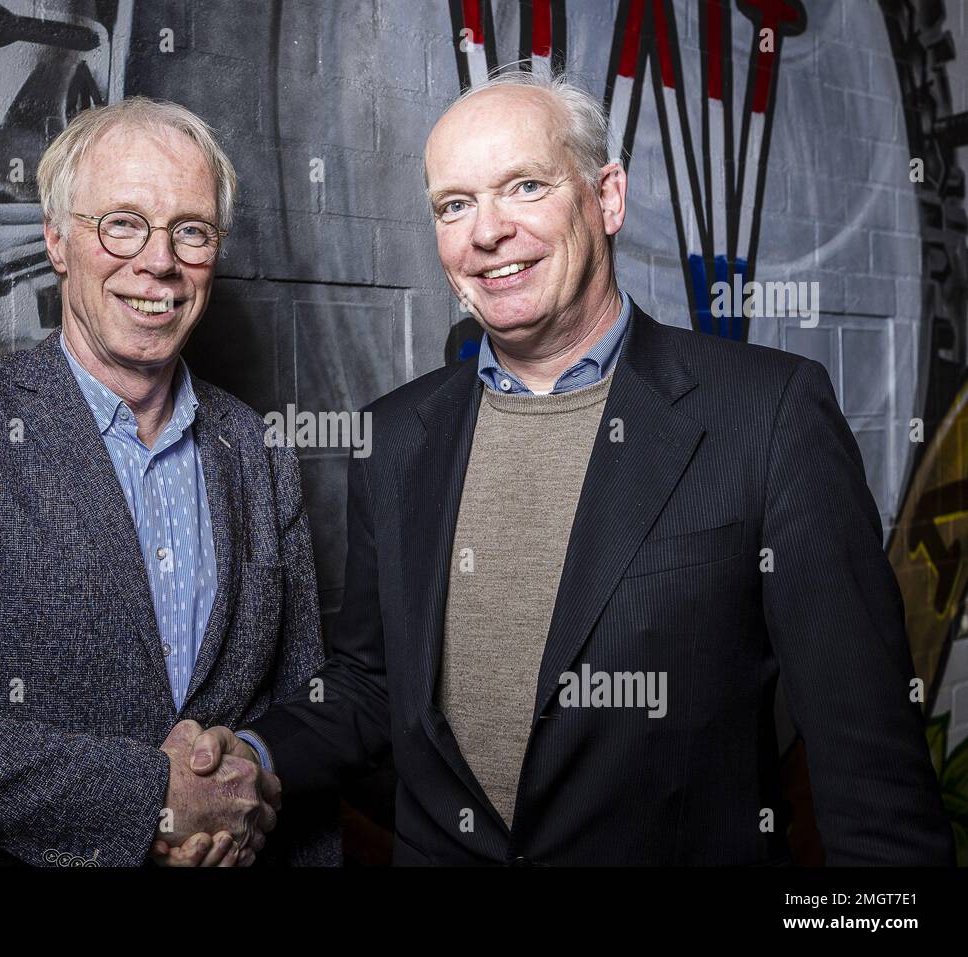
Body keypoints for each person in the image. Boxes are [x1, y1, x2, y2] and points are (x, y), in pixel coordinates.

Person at [173, 70, 954, 865]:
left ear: (607, 197)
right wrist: (248, 759)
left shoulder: (768, 415)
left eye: (524, 185)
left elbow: (872, 774)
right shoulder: (396, 435)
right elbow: (374, 683)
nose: (487, 231)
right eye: (454, 204)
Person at [0, 97, 337, 867]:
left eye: (191, 230)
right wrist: (149, 796)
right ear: (55, 240)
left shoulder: (254, 446)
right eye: (122, 222)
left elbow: (304, 706)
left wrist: (248, 758)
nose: (159, 262)